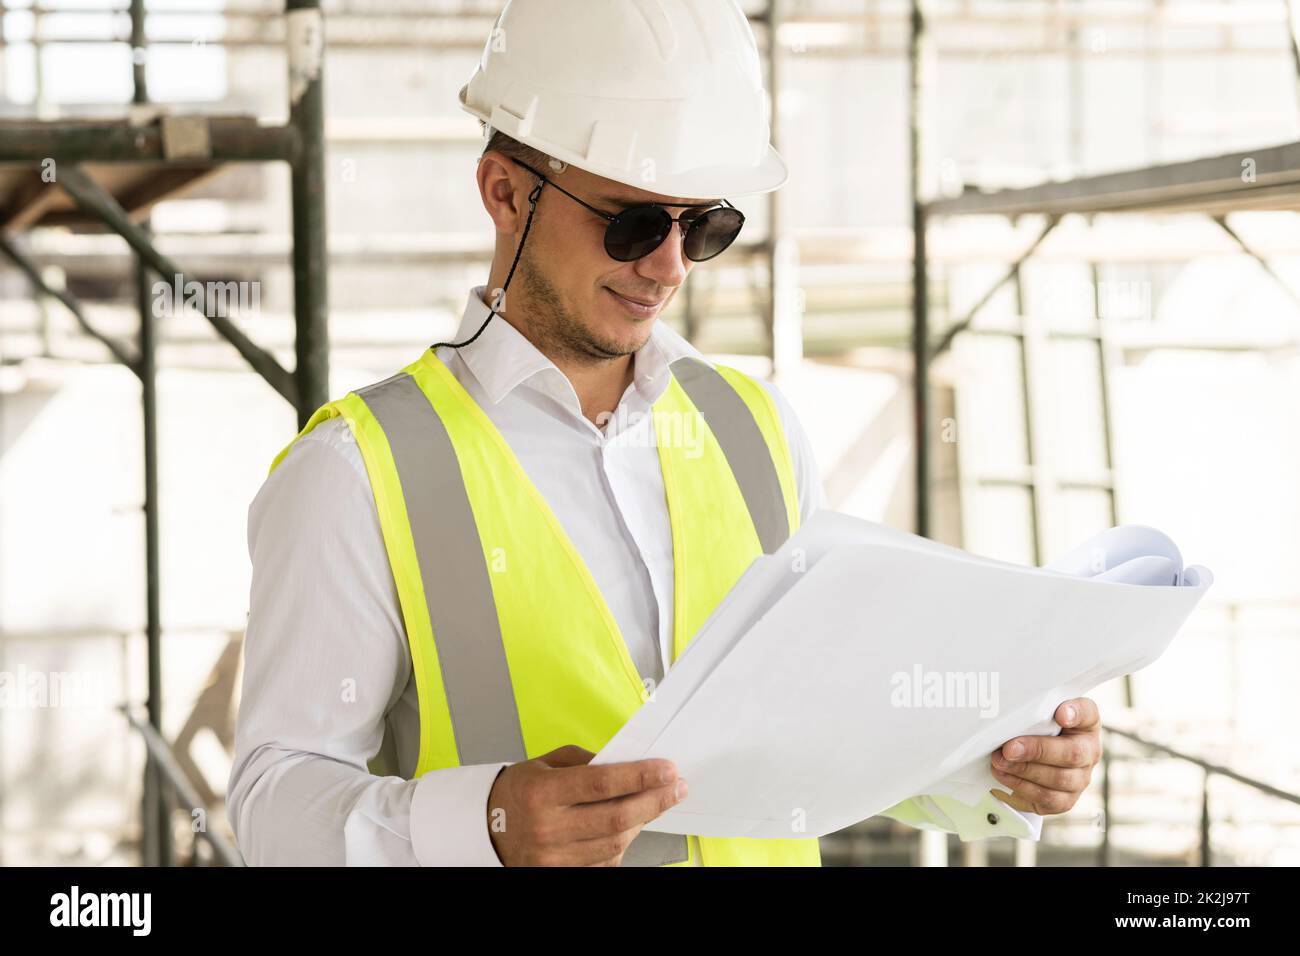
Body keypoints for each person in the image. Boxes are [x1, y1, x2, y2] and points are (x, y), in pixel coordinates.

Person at [227, 0, 1102, 867]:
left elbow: (824, 723)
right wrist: (481, 823)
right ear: (504, 191)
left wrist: (994, 761)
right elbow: (273, 806)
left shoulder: (754, 432)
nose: (669, 265)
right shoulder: (356, 472)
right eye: (634, 222)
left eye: (704, 225)